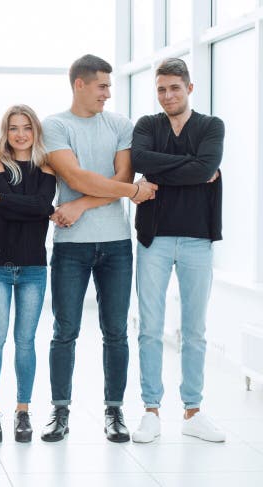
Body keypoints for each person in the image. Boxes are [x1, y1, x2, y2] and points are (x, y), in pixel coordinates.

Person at [40, 54, 157, 443]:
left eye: (109, 86)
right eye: (102, 86)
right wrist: (131, 191)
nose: (108, 93)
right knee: (65, 331)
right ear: (80, 84)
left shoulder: (121, 125)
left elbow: (120, 176)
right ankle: (59, 411)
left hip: (116, 244)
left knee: (116, 332)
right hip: (70, 246)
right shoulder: (54, 125)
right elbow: (76, 175)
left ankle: (114, 411)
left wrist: (78, 204)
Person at [130, 58, 225, 443]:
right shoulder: (148, 126)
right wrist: (195, 167)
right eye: (161, 89)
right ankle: (151, 411)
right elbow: (140, 160)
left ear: (189, 88)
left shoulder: (211, 126)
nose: (167, 95)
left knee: (194, 330)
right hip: (154, 238)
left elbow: (207, 168)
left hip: (197, 238)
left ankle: (193, 411)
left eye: (174, 87)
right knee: (150, 328)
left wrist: (165, 172)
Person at [0, 105, 56, 443]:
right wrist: (35, 208)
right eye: (13, 128)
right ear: (5, 133)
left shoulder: (48, 167)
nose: (20, 134)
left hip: (34, 268)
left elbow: (40, 206)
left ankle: (23, 410)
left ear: (35, 131)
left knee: (25, 341)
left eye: (26, 127)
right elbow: (34, 209)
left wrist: (2, 198)